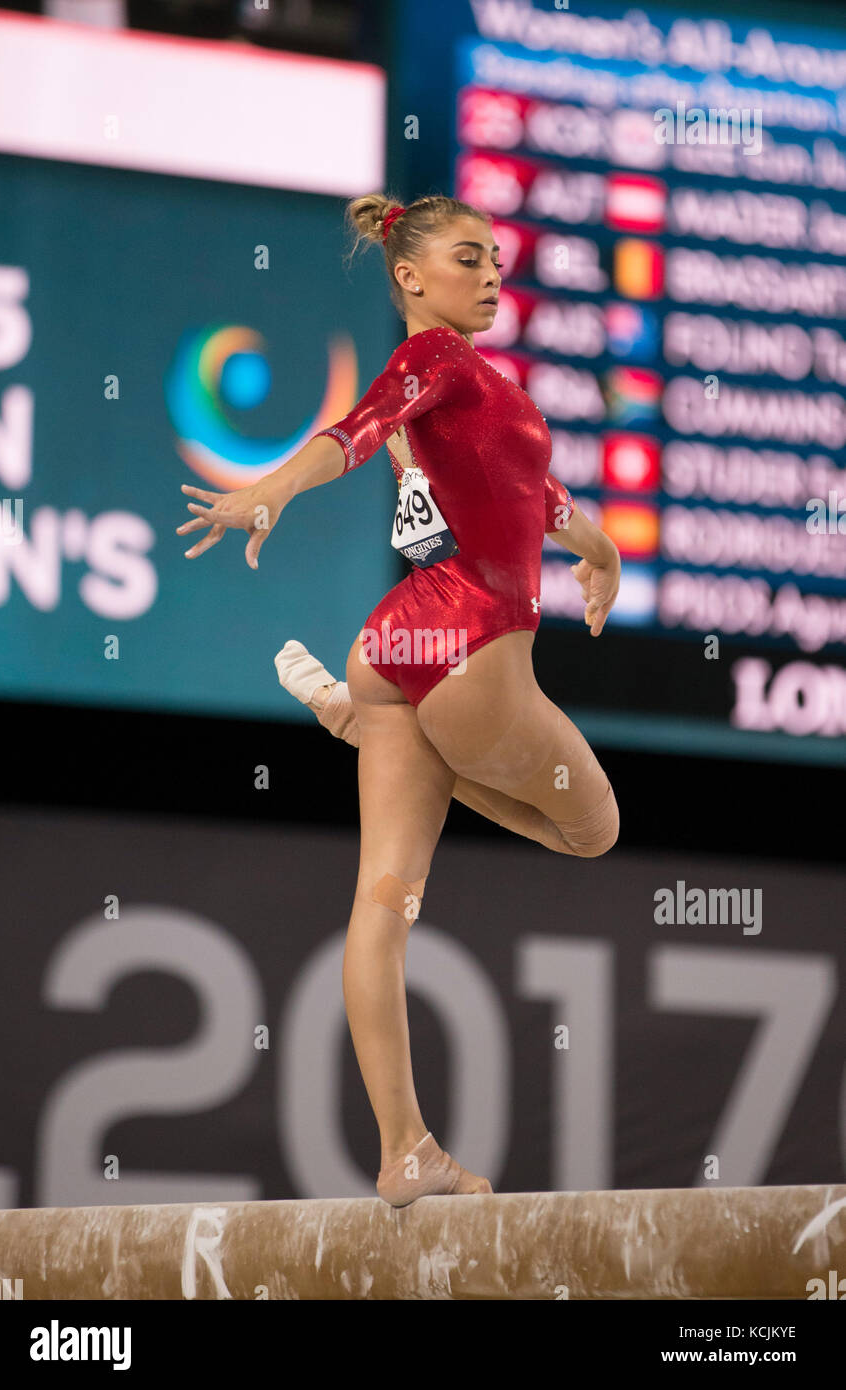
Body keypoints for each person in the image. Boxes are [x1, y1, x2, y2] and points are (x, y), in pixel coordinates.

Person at [177, 193, 621, 1206]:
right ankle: (375, 725)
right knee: (590, 830)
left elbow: (532, 499)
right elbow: (359, 427)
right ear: (410, 279)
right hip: (468, 644)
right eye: (468, 257)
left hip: (394, 647)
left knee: (384, 904)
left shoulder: (473, 391)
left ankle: (405, 1147)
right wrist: (271, 488)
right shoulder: (439, 362)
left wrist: (594, 550)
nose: (492, 271)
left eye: (496, 255)